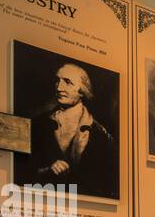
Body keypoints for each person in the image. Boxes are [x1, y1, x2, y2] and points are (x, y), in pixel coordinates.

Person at [26, 62, 117, 199]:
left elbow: (105, 183)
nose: (59, 87)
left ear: (82, 90)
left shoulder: (100, 134)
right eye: (57, 81)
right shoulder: (38, 124)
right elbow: (22, 170)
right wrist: (46, 171)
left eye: (67, 82)